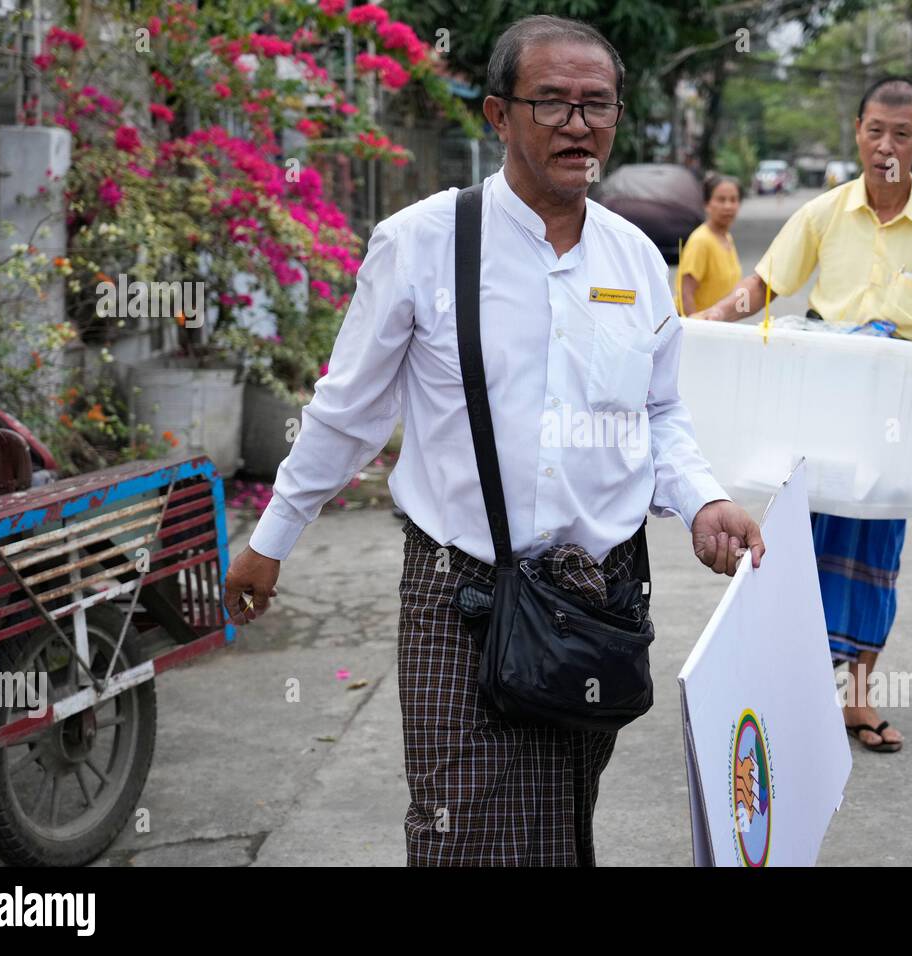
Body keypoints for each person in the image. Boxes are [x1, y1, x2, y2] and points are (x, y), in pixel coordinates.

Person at [220, 14, 765, 867]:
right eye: (551, 102)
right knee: (457, 827)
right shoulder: (421, 244)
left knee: (561, 822)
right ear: (496, 115)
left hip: (599, 603)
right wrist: (272, 537)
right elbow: (348, 410)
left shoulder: (634, 261)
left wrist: (703, 501)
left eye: (598, 104)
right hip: (458, 593)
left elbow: (658, 416)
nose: (578, 124)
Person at [696, 77, 912, 752]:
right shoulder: (824, 213)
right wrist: (703, 321)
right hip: (818, 408)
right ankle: (778, 696)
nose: (886, 146)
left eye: (902, 134)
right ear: (857, 130)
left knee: (874, 558)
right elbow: (766, 285)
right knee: (795, 546)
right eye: (875, 130)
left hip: (890, 421)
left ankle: (857, 702)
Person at [676, 173, 743, 315]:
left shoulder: (726, 237)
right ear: (707, 204)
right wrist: (697, 329)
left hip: (719, 328)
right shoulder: (701, 241)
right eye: (721, 199)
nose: (728, 206)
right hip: (702, 330)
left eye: (733, 200)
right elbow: (685, 294)